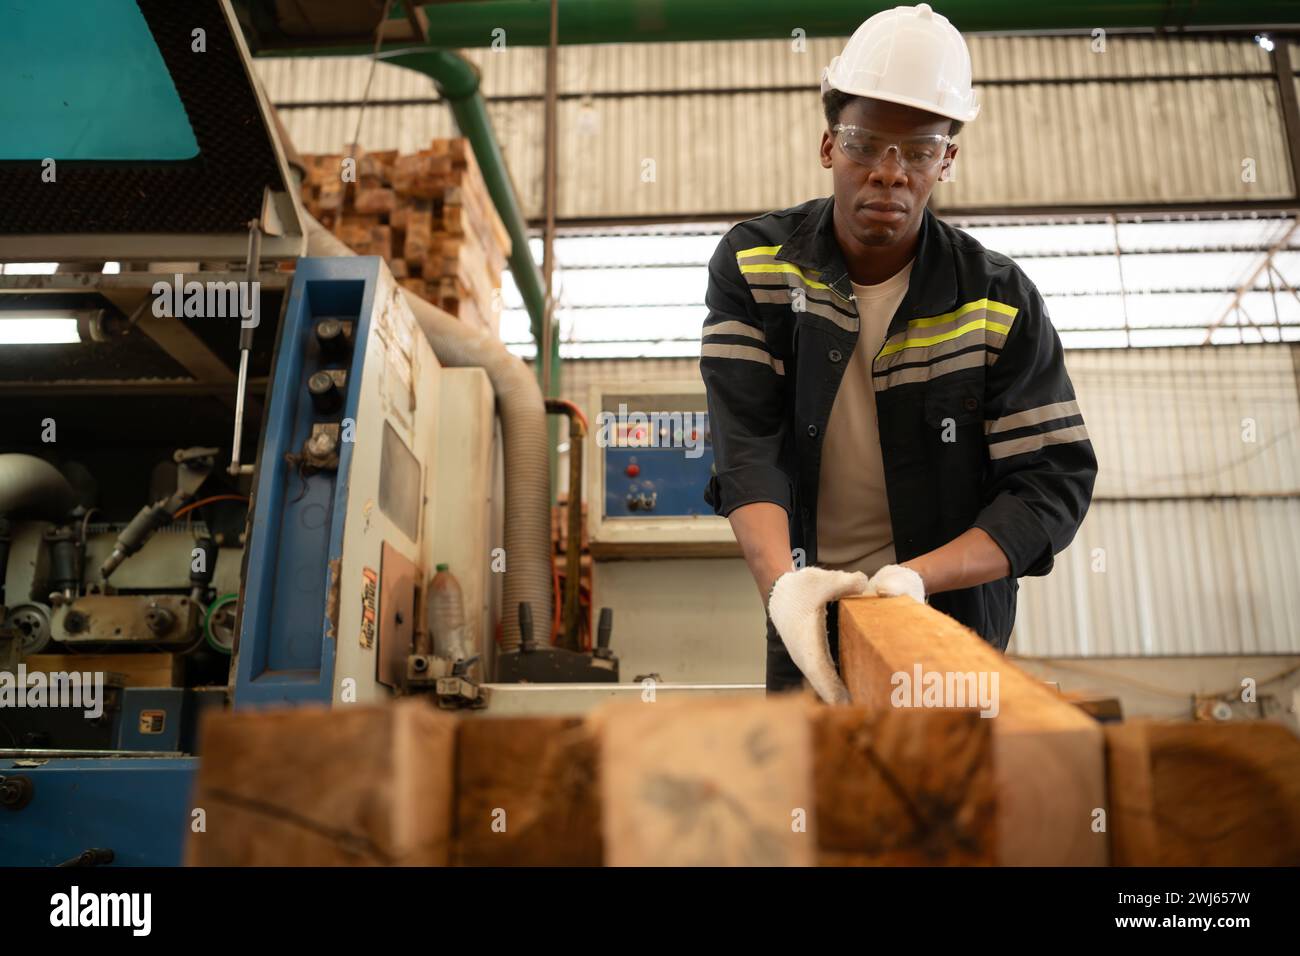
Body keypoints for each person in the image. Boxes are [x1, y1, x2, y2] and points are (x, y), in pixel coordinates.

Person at [700, 3, 1097, 693]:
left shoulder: (996, 301)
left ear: (947, 158)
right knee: (813, 794)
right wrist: (786, 593)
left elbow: (1050, 485)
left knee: (946, 793)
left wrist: (914, 577)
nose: (889, 172)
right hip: (808, 606)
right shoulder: (758, 266)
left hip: (950, 622)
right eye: (863, 143)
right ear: (829, 146)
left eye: (917, 151)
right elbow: (749, 451)